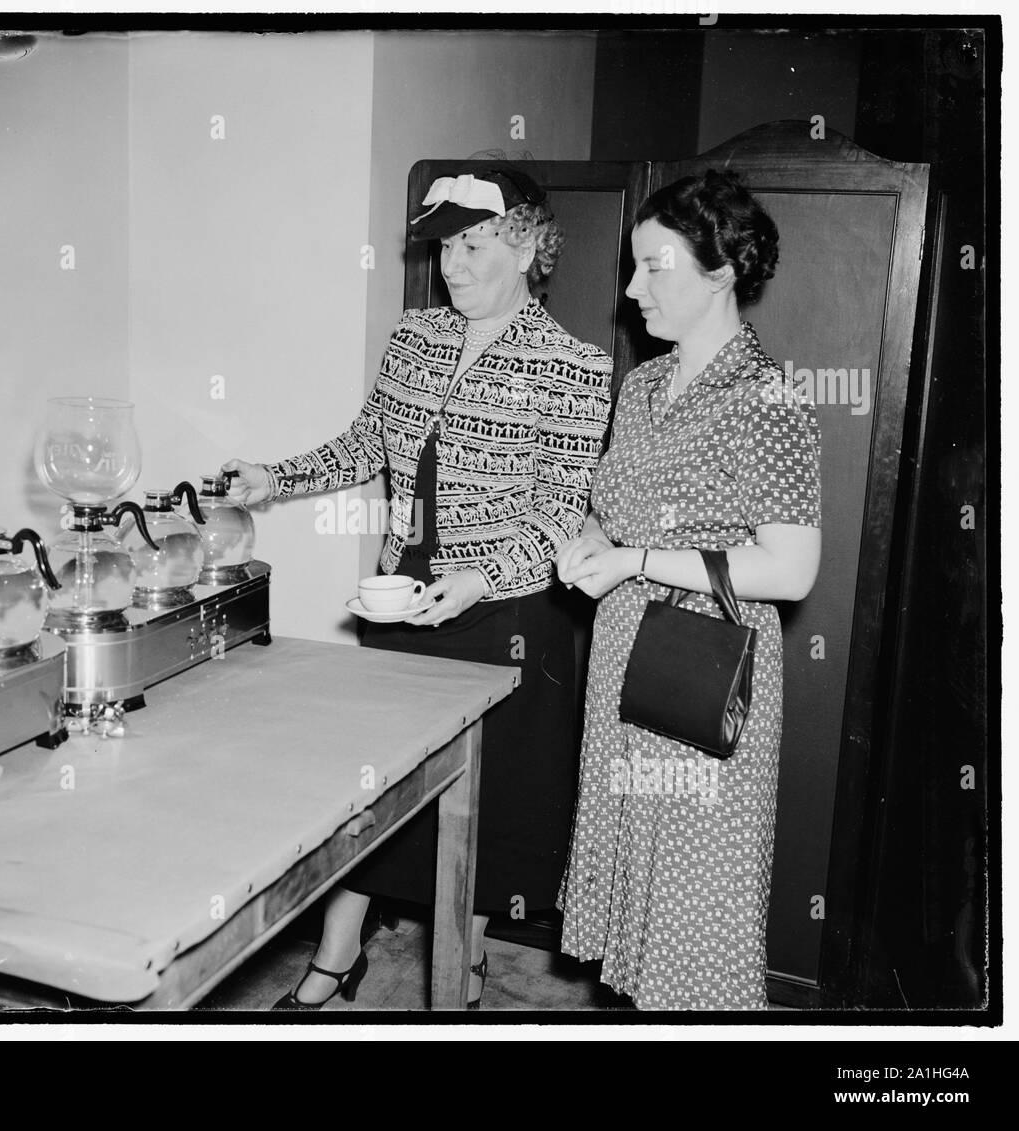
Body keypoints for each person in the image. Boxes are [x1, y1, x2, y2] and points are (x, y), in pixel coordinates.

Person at [225, 165, 612, 1009]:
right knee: (369, 787)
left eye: (475, 242)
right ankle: (336, 957)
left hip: (506, 614)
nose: (455, 262)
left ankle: (463, 971)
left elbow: (561, 508)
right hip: (403, 599)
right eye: (447, 244)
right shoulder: (416, 335)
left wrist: (482, 576)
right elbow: (365, 444)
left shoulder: (573, 365)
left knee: (488, 807)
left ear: (530, 244)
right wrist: (272, 477)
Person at [555, 169, 822, 1010]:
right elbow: (618, 514)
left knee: (695, 917)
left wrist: (637, 562)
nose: (632, 290)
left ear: (721, 272)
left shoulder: (767, 397)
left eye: (655, 266)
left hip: (705, 672)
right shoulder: (640, 385)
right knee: (639, 906)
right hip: (623, 664)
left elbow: (790, 568)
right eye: (633, 268)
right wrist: (594, 543)